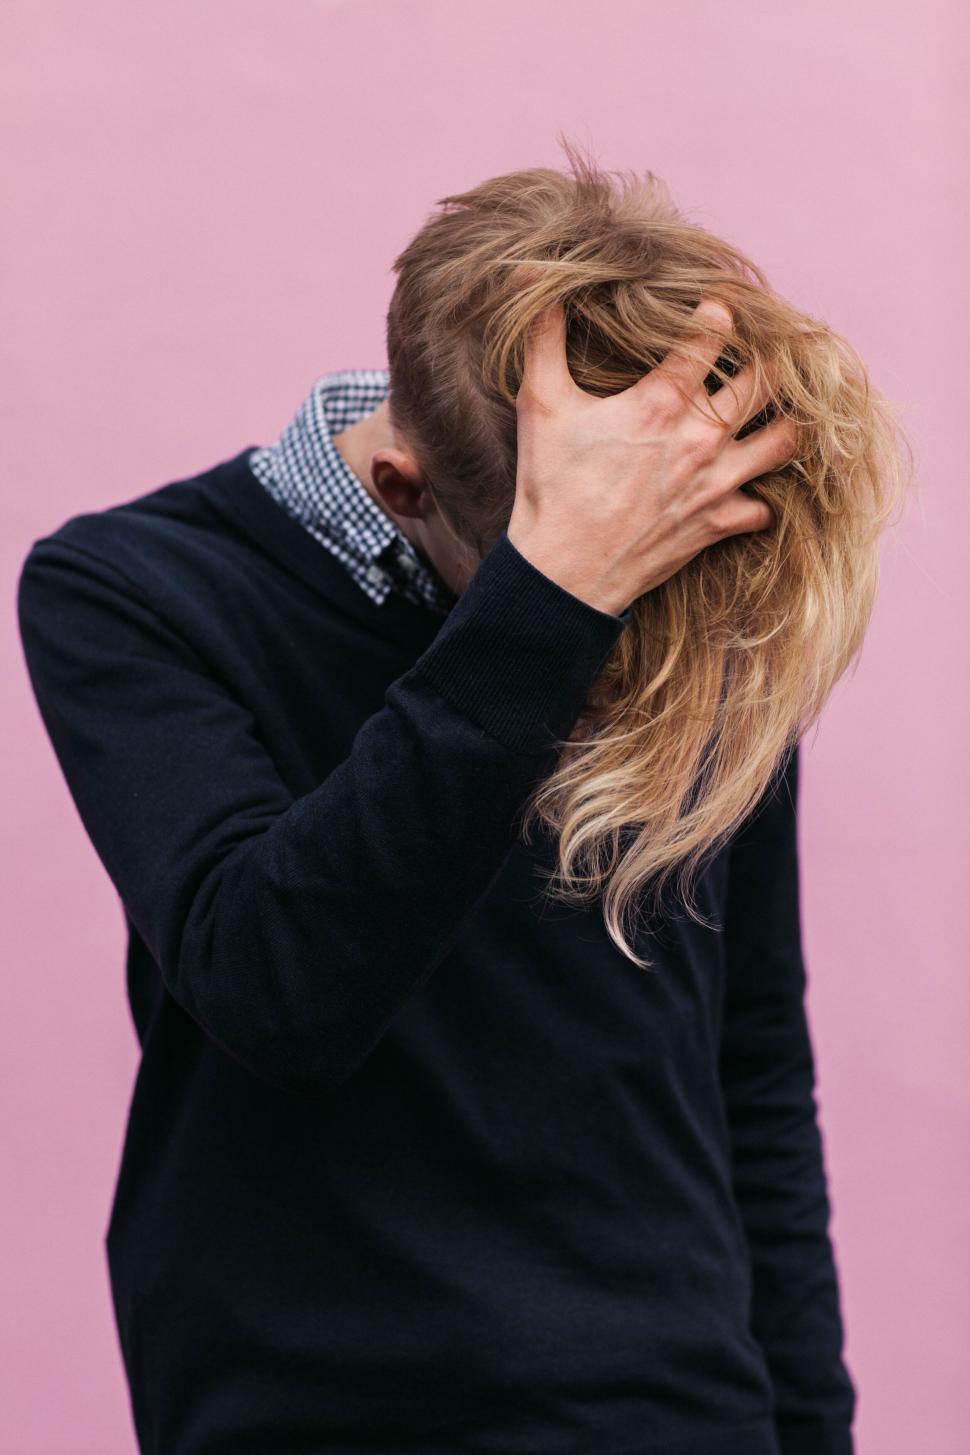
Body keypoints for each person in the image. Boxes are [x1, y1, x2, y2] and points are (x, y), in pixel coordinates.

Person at [17, 143, 907, 1455]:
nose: (637, 639)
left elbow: (749, 1069)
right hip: (312, 1418)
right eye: (601, 579)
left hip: (677, 1415)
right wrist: (542, 604)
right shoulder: (133, 591)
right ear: (399, 488)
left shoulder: (687, 574)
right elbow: (276, 985)